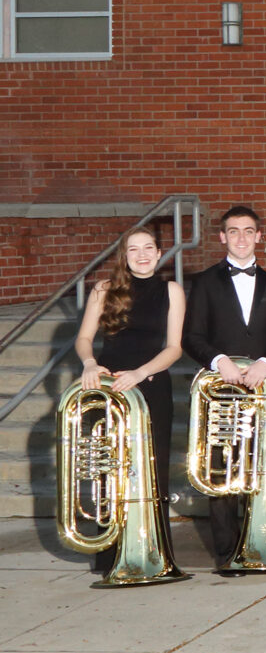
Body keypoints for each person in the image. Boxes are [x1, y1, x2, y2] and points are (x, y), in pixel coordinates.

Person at [183, 206, 266, 570]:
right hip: (222, 389)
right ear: (222, 237)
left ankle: (264, 545)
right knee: (223, 467)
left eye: (249, 231)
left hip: (261, 388)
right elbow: (191, 336)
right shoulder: (202, 282)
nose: (242, 238)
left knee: (264, 465)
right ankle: (227, 552)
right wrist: (218, 361)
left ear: (259, 237)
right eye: (234, 231)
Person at [71, 226, 185, 575]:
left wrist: (140, 372)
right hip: (111, 388)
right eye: (133, 249)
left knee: (153, 470)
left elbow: (175, 348)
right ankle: (111, 555)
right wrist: (90, 364)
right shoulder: (104, 290)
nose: (142, 254)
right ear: (124, 256)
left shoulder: (172, 290)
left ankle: (156, 555)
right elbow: (84, 338)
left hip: (150, 385)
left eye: (148, 247)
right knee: (112, 470)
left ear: (159, 251)